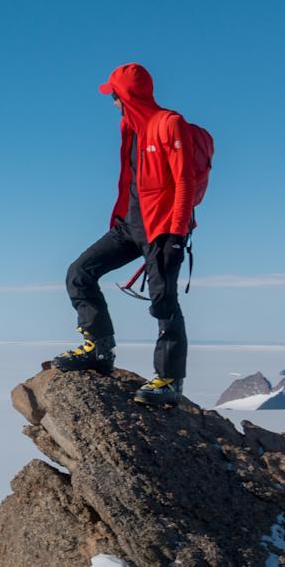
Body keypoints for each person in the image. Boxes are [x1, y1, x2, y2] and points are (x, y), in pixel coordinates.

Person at [53, 63, 195, 406]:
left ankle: (169, 381)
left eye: (113, 94)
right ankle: (100, 349)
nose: (112, 101)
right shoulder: (129, 126)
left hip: (161, 229)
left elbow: (184, 183)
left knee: (164, 302)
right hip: (130, 226)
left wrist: (175, 235)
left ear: (124, 94)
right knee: (79, 272)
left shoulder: (169, 123)